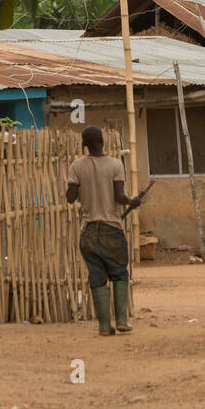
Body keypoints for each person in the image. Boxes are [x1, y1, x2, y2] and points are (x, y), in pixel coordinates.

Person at [66, 125, 141, 335]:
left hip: (89, 231)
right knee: (119, 273)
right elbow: (119, 196)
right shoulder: (115, 165)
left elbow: (70, 198)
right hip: (111, 228)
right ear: (102, 140)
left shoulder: (76, 166)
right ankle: (122, 320)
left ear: (84, 145)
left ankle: (103, 326)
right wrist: (132, 201)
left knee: (97, 276)